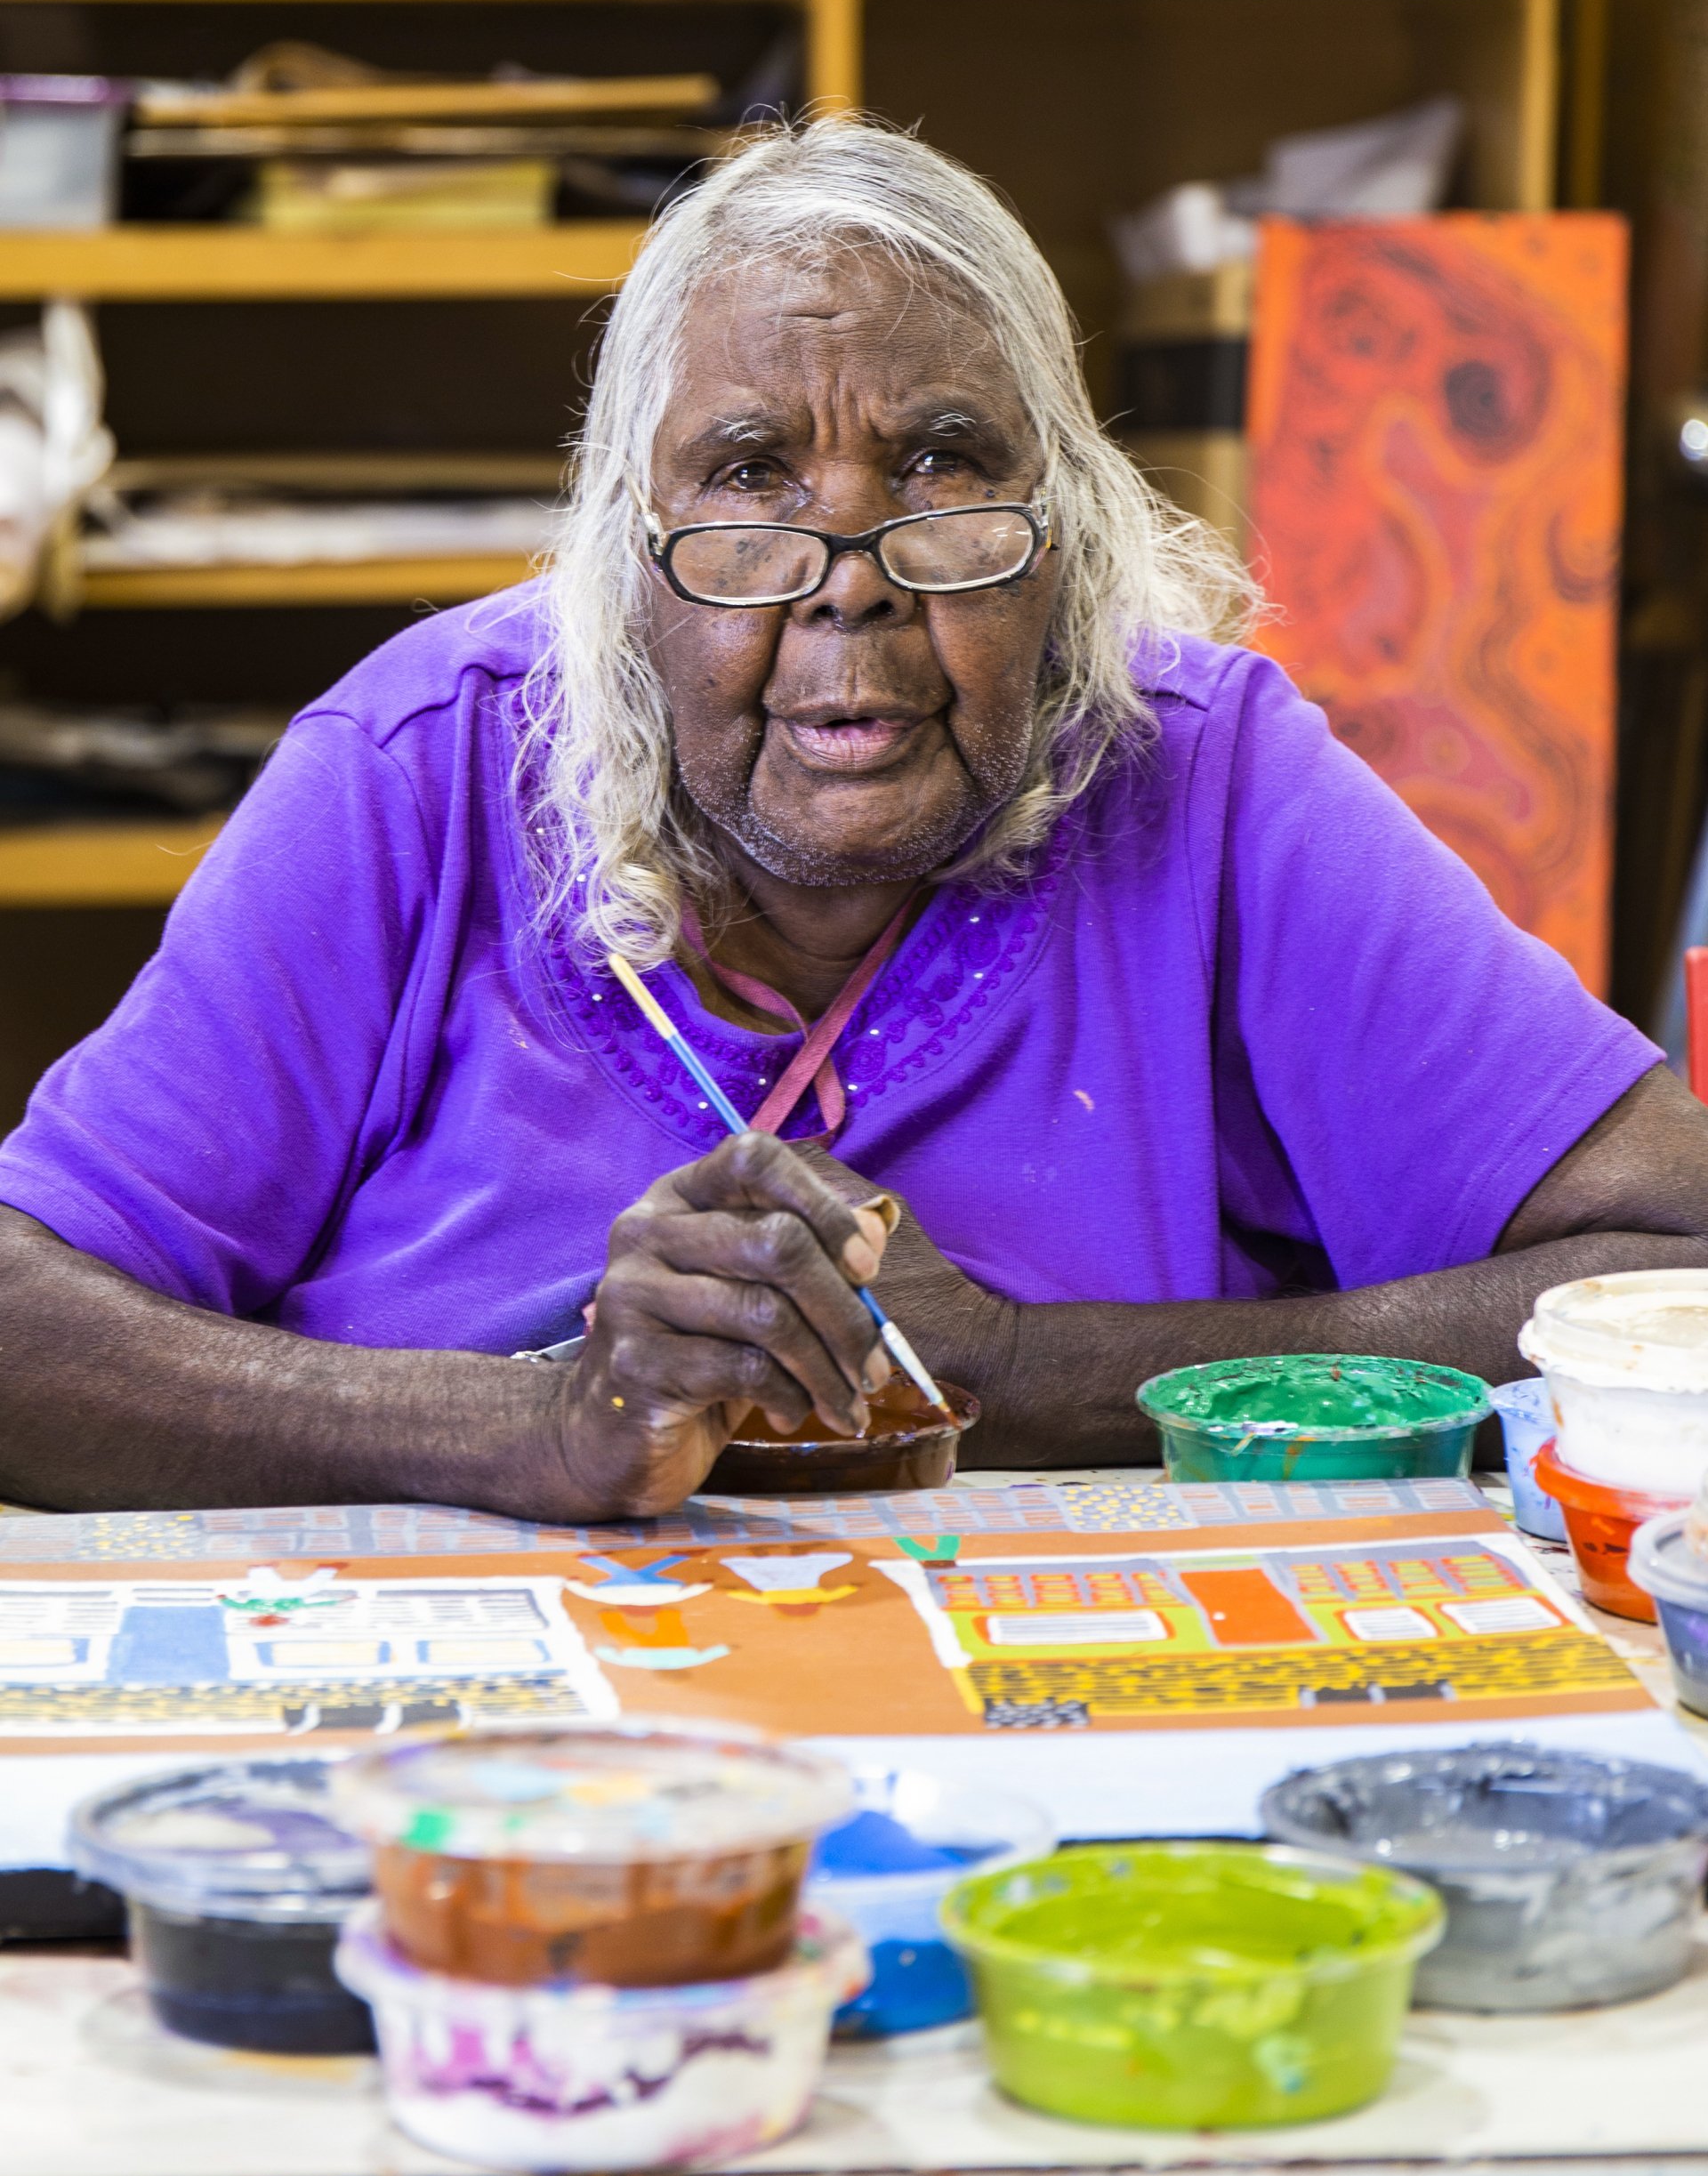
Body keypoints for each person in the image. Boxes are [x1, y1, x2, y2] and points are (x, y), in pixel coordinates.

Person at [0, 116, 1704, 1521]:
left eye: (945, 466)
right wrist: (533, 1426)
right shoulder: (421, 771)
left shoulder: (1208, 781)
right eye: (747, 479)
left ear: (1075, 534)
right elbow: (24, 1326)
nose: (849, 587)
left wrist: (1034, 1371)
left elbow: (1677, 1267)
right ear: (621, 556)